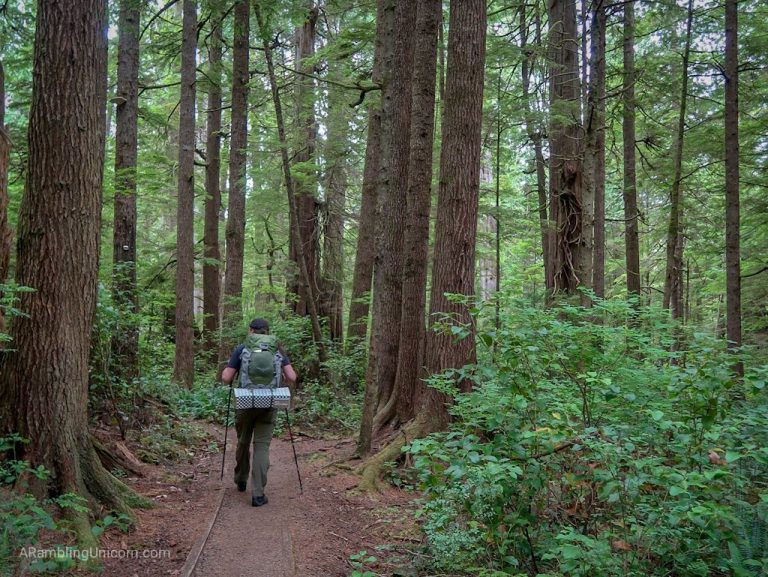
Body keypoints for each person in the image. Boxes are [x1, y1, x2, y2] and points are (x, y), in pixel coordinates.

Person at [221, 318, 297, 507]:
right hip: (269, 403)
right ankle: (258, 494)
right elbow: (292, 377)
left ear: (251, 331)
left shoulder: (242, 349)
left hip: (245, 401)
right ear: (267, 331)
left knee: (243, 440)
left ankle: (240, 479)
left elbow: (226, 378)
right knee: (262, 446)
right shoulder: (277, 350)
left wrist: (232, 370)